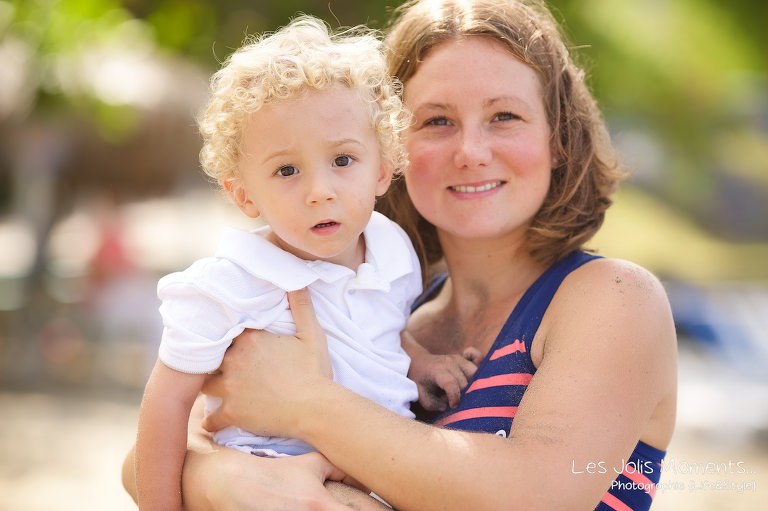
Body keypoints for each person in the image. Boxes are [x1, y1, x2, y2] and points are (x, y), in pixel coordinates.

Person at [123, 0, 678, 510]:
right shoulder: (382, 299)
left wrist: (306, 406)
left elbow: (535, 496)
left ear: (557, 139)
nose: (471, 152)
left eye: (504, 116)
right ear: (393, 144)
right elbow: (147, 461)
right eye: (436, 121)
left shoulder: (615, 300)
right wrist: (227, 479)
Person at [132, 15, 478, 510]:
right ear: (243, 193)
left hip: (375, 474)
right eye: (287, 170)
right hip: (265, 479)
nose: (320, 192)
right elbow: (167, 405)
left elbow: (375, 330)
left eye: (342, 160)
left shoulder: (391, 249)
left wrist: (421, 362)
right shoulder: (230, 284)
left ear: (382, 166)